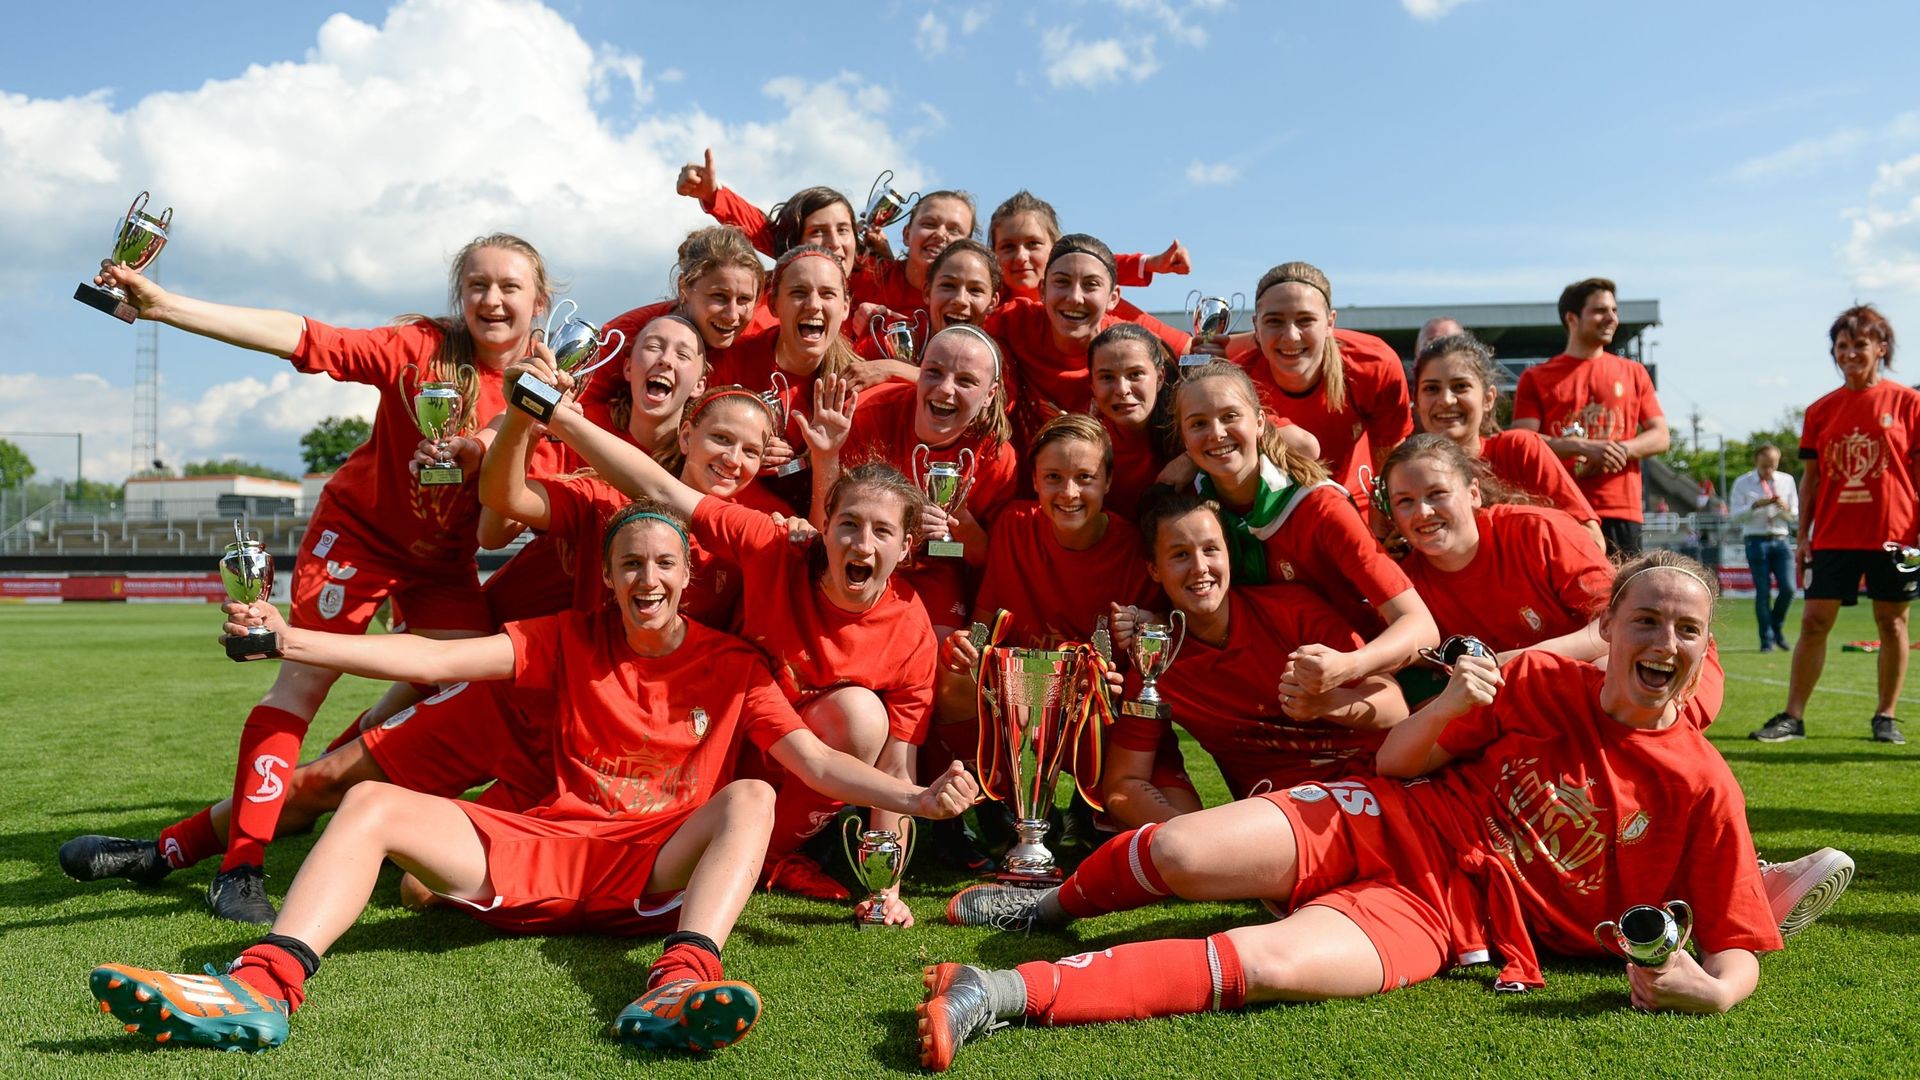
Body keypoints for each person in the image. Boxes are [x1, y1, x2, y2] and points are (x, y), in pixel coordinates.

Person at [88, 501, 977, 1055]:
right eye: (631, 565)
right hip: (544, 847)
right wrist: (288, 640)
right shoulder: (565, 637)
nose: (648, 579)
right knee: (367, 802)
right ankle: (266, 985)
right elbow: (430, 656)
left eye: (664, 564)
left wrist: (917, 801)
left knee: (746, 795)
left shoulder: (734, 664)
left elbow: (817, 764)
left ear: (687, 576)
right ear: (607, 577)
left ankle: (680, 979)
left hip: (649, 867)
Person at [918, 550, 1780, 1071]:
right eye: (1646, 621)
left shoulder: (1702, 785)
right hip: (1394, 815)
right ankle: (1049, 903)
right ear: (1611, 627)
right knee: (1181, 852)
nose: (1664, 643)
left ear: (1705, 648)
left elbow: (1736, 945)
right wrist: (1445, 708)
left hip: (1445, 915)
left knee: (1273, 965)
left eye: (1686, 631)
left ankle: (995, 992)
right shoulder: (1542, 679)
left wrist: (1713, 993)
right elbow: (1401, 761)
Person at [56, 336, 784, 896]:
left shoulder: (760, 541)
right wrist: (524, 422)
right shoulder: (603, 497)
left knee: (422, 879)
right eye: (720, 438)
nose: (733, 458)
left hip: (602, 755)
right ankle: (167, 849)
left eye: (751, 450)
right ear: (686, 433)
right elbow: (510, 504)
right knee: (329, 778)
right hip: (513, 698)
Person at [70, 234, 553, 925]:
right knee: (299, 677)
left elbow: (509, 490)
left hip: (443, 564)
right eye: (478, 284)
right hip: (359, 537)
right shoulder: (421, 350)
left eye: (510, 286)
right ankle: (239, 870)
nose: (492, 298)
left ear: (540, 301)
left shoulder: (552, 387)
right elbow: (302, 336)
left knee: (476, 687)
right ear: (460, 295)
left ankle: (300, 790)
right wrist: (167, 306)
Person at [545, 377, 941, 912]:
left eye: (881, 532)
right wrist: (560, 418)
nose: (861, 543)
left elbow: (896, 765)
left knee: (862, 717)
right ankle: (669, 824)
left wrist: (887, 887)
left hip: (798, 763)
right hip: (713, 742)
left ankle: (769, 855)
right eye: (847, 524)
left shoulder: (912, 628)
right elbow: (663, 491)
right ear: (824, 528)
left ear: (905, 548)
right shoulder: (774, 545)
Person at [1101, 489, 1408, 826]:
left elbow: (1395, 706)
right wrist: (1191, 834)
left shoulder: (1292, 610)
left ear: (1229, 554)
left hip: (1378, 783)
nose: (1200, 567)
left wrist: (1326, 703)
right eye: (1179, 555)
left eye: (1210, 550)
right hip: (1280, 818)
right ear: (1154, 569)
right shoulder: (1156, 659)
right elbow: (1123, 784)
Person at [1171, 362, 1438, 687]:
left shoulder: (1321, 507)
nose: (1216, 433)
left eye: (1230, 417)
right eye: (1198, 423)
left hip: (1370, 679)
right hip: (1272, 683)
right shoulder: (1191, 509)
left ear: (1259, 423)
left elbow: (1420, 624)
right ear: (1184, 441)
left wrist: (1349, 665)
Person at [1752, 305, 1920, 746]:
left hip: (1895, 536)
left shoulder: (1909, 403)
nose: (1849, 354)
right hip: (1833, 534)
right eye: (1841, 347)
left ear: (1881, 348)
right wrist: (1803, 534)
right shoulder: (1820, 411)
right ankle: (1793, 716)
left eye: (1859, 345)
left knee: (1893, 624)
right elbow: (1812, 480)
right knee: (1813, 622)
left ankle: (1885, 716)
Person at [1511, 277, 1671, 557]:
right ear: (1572, 318)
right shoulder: (1536, 378)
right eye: (1600, 310)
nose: (1611, 318)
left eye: (1614, 310)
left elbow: (1660, 436)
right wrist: (1581, 446)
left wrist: (1619, 449)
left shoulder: (1633, 372)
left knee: (1622, 598)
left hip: (1620, 508)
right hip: (1559, 509)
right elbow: (1524, 442)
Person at [1229, 261, 1412, 496]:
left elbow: (1389, 459)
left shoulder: (1373, 364)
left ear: (1330, 323)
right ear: (1256, 325)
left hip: (1357, 500)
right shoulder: (1237, 380)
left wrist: (1382, 521)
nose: (1291, 336)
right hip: (1272, 508)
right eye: (1274, 321)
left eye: (1305, 320)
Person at [1410, 332, 1605, 551]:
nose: (1446, 400)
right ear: (1416, 401)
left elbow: (1592, 541)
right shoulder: (1405, 471)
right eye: (1431, 388)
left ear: (1488, 398)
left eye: (1460, 386)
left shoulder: (1519, 449)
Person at [1731, 443, 1800, 653]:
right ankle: (1766, 640)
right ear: (1757, 461)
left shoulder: (1786, 481)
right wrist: (1755, 506)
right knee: (1763, 592)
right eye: (1765, 465)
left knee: (1789, 589)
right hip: (1756, 540)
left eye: (1773, 465)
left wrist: (1786, 509)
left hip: (1780, 539)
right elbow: (1735, 516)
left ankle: (1776, 628)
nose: (1769, 469)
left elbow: (1795, 515)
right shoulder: (1743, 483)